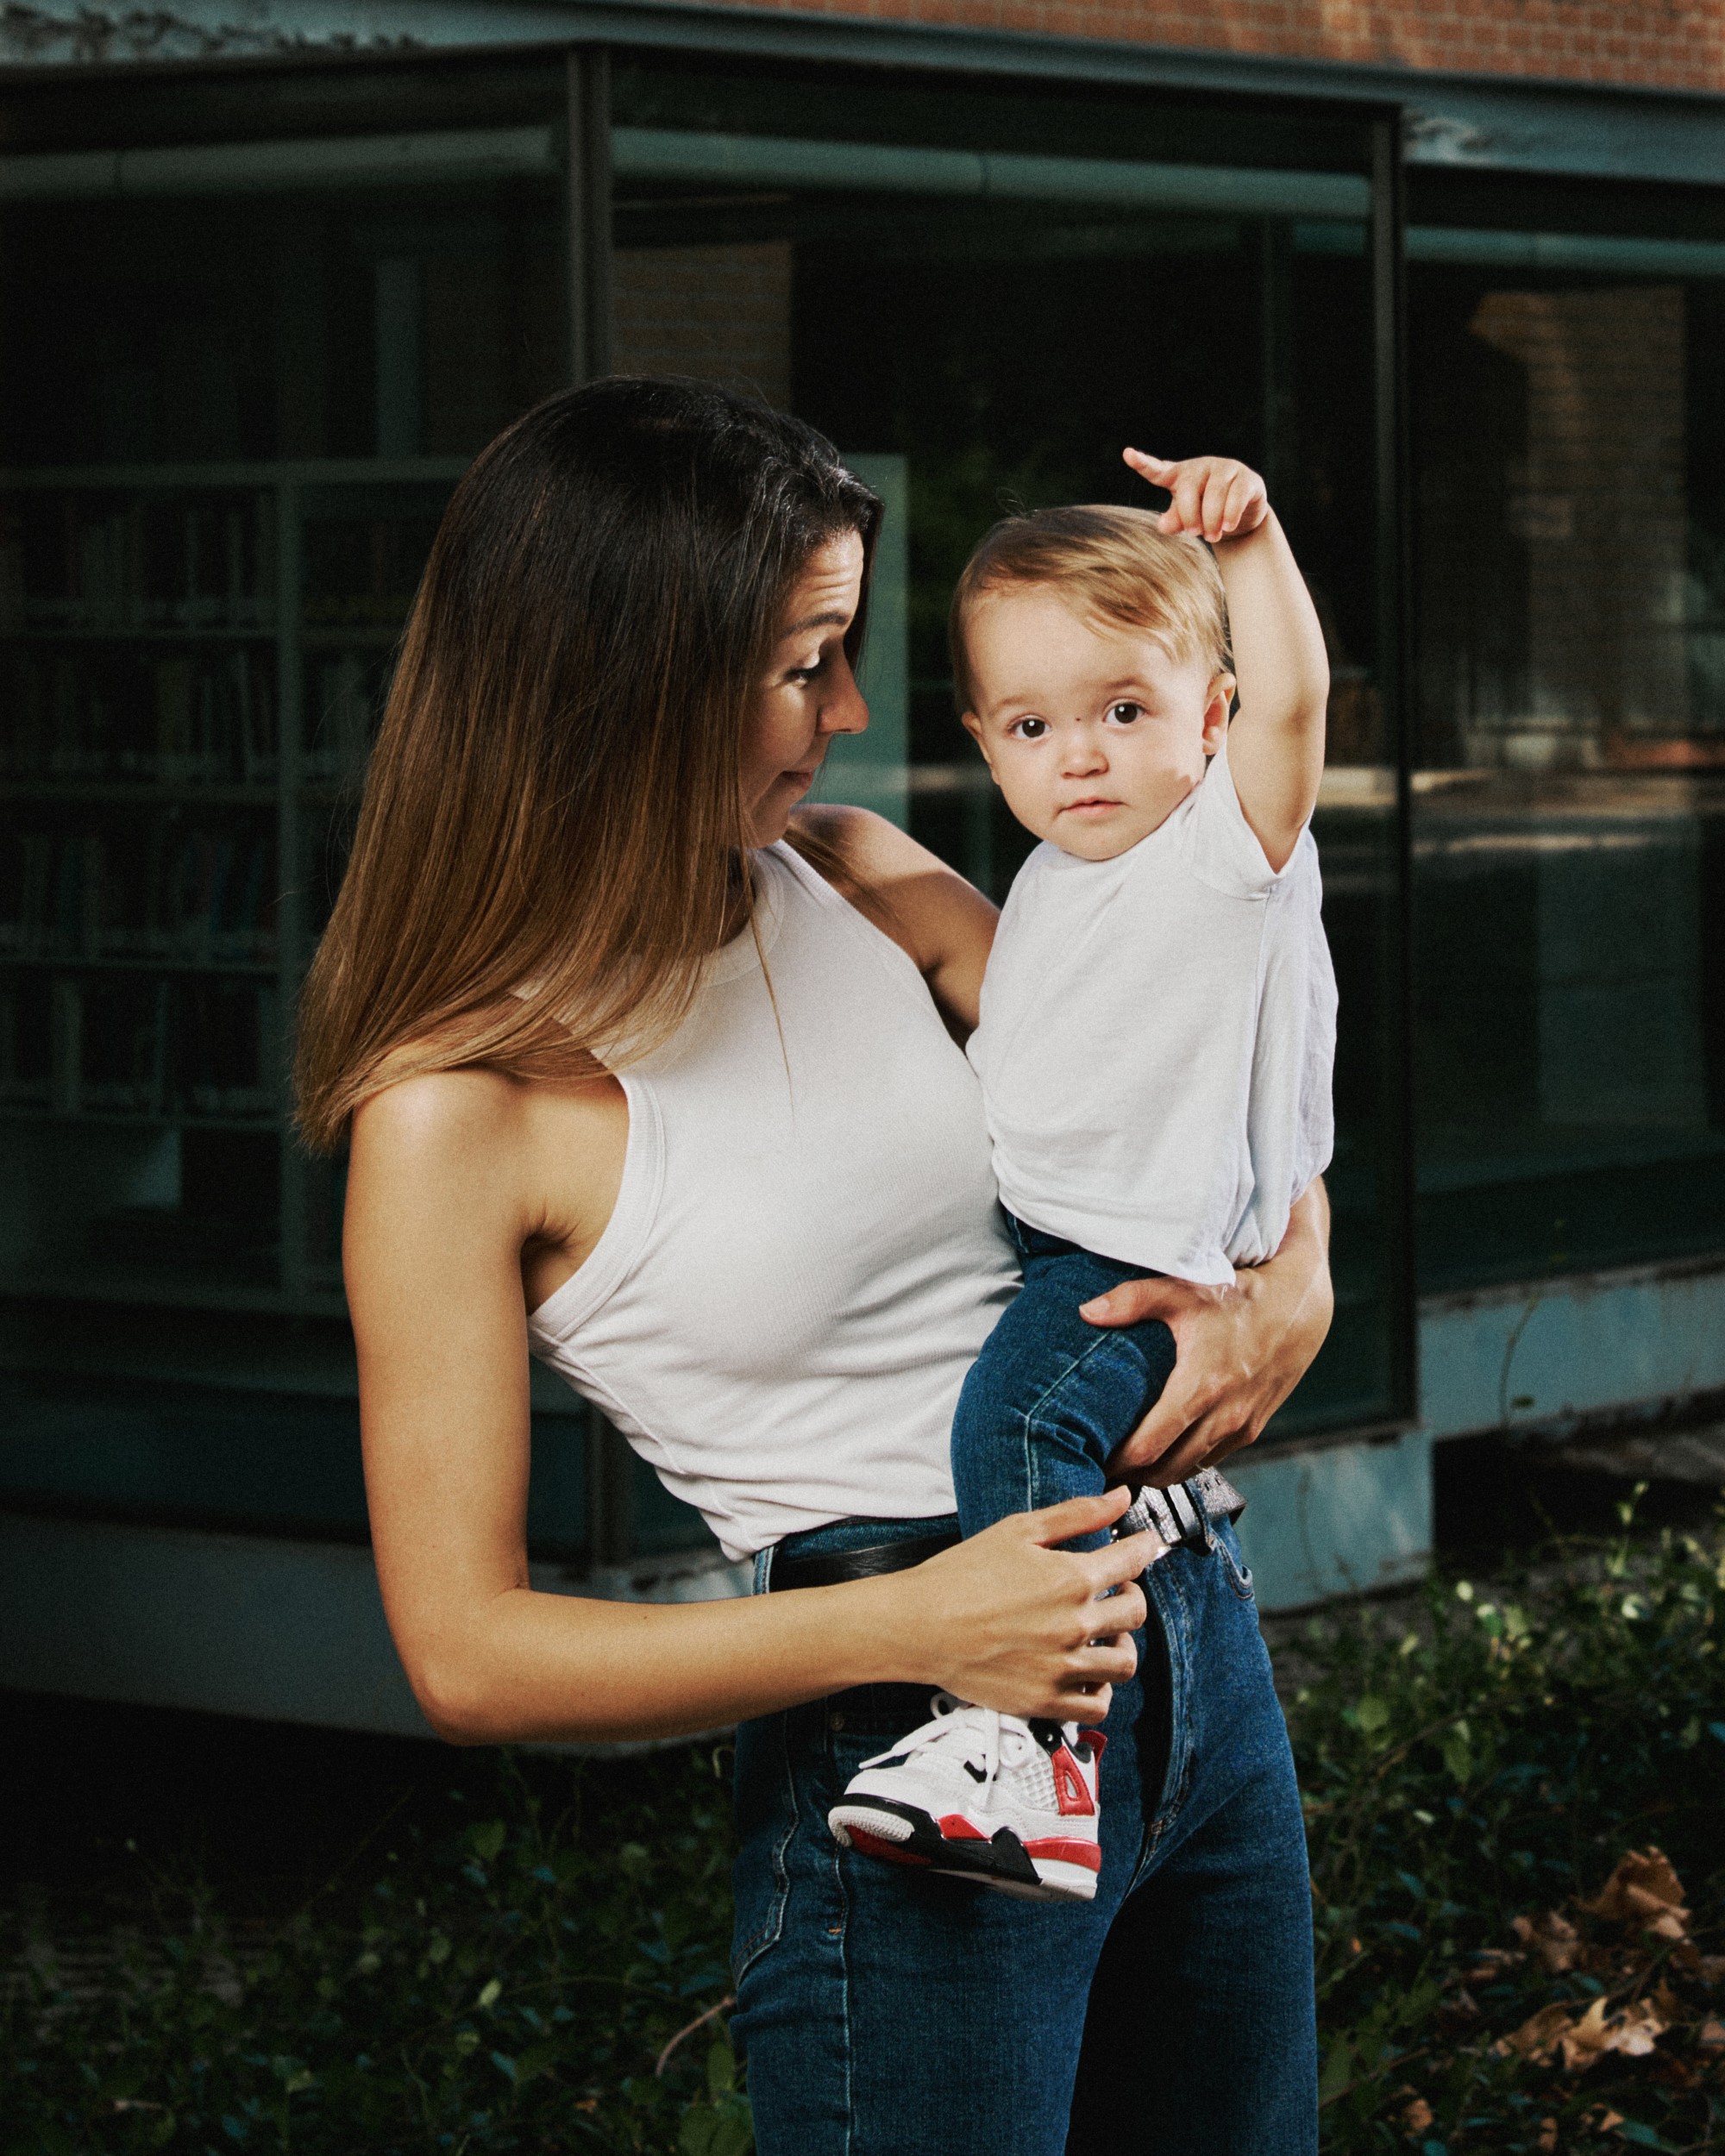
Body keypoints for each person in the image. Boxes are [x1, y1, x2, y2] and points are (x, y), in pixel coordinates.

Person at [295, 376, 1333, 2156]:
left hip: (1192, 1659)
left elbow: (1173, 1079)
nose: (850, 715)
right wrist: (916, 1624)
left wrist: (1297, 1257)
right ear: (625, 675)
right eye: (801, 661)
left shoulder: (852, 877)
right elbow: (466, 1653)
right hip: (911, 1723)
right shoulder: (455, 1116)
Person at [830, 460, 1336, 1904]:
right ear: (988, 747)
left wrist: (1252, 540)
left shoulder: (1217, 855)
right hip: (1075, 1241)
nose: (1087, 756)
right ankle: (1055, 1713)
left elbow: (1299, 704)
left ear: (1211, 719)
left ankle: (1032, 1750)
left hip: (1126, 1266)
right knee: (1034, 1429)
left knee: (1021, 1420)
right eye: (1039, 727)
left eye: (1127, 711)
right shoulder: (1060, 878)